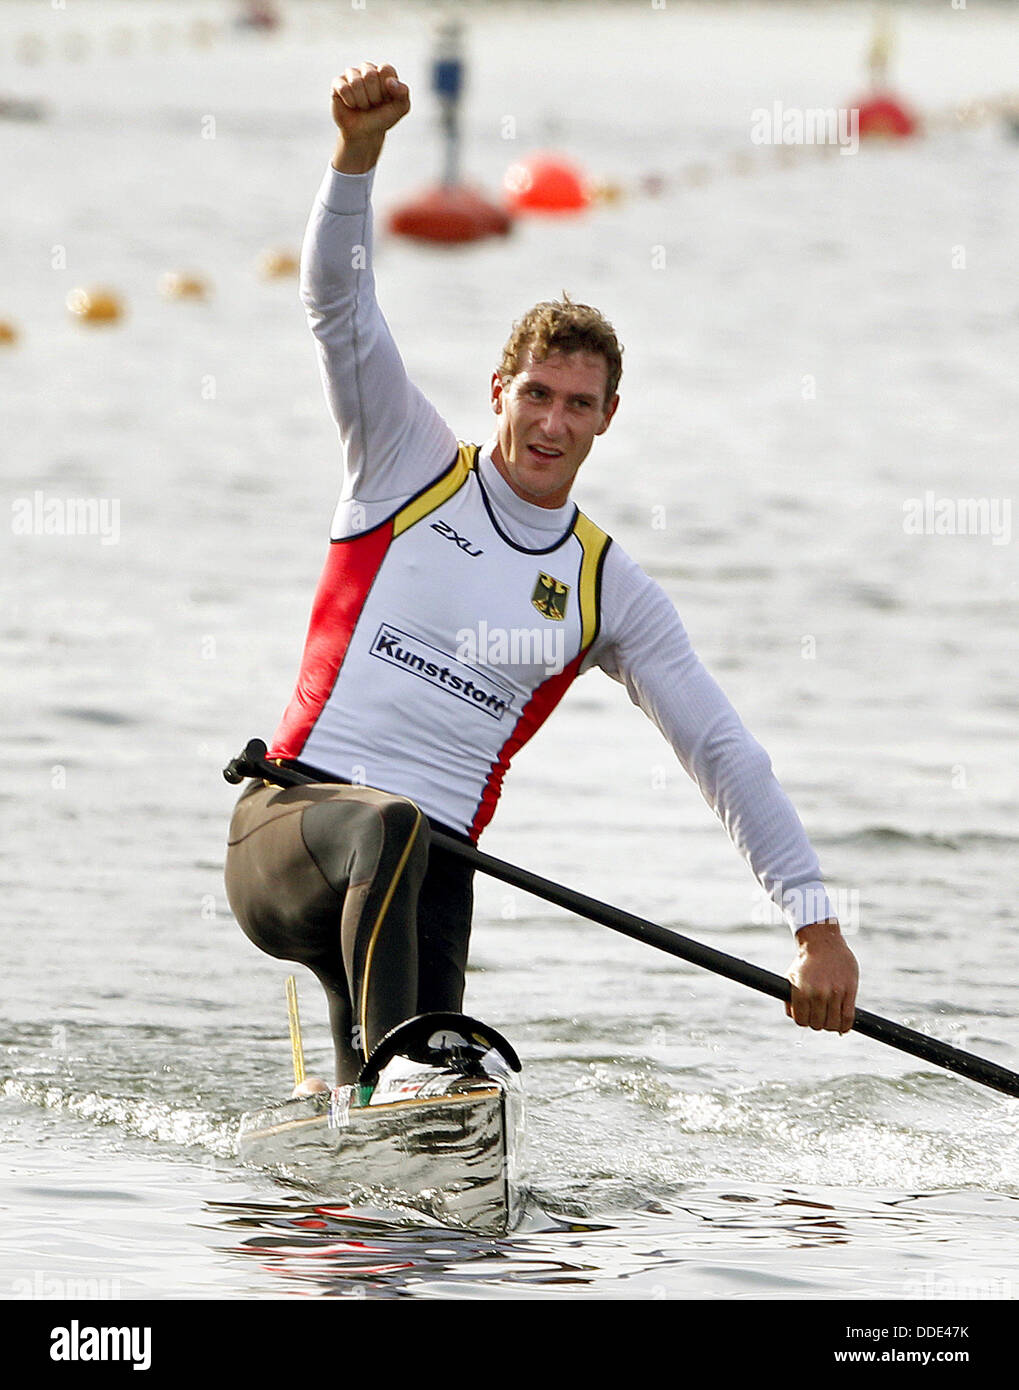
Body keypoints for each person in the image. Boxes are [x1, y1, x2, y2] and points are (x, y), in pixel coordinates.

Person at [224, 62, 859, 1089]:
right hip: (288, 831)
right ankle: (399, 1076)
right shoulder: (405, 464)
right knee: (390, 831)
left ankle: (365, 1108)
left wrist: (814, 924)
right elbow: (335, 302)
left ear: (608, 416)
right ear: (497, 392)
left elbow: (719, 747)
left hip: (427, 879)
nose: (550, 422)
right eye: (535, 393)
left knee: (450, 1109)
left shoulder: (608, 588)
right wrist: (357, 155)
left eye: (577, 402)